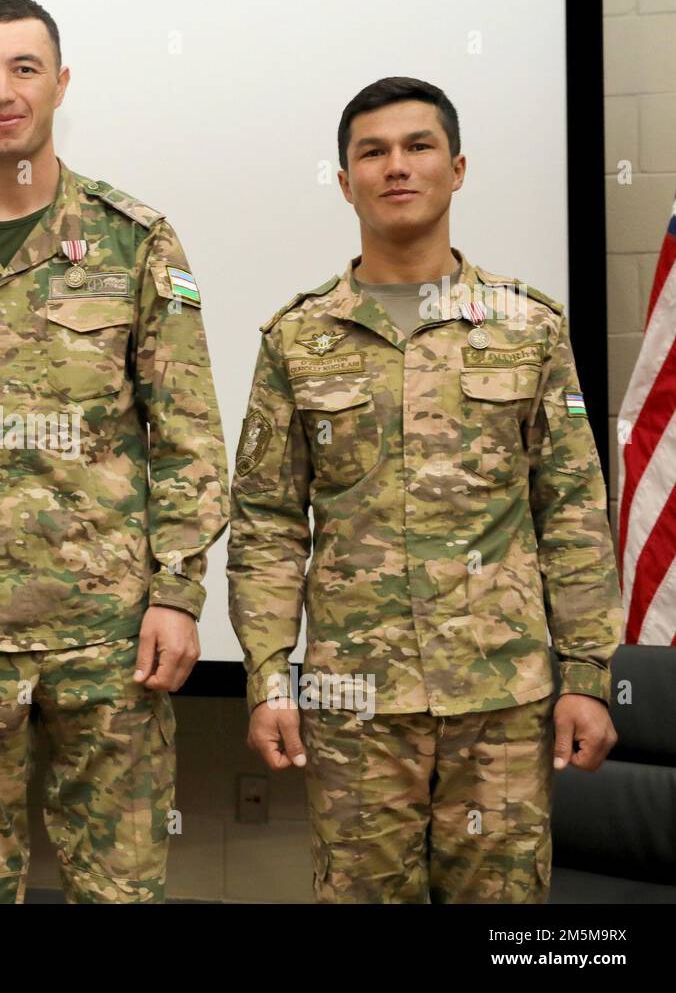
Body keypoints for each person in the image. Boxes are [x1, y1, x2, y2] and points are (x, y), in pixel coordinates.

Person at [0, 0, 229, 903]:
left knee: (119, 891)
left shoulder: (134, 239)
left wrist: (178, 592)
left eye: (24, 68)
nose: (2, 91)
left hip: (108, 642)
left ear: (60, 82)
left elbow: (188, 435)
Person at [227, 76, 623, 903]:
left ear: (458, 167)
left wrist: (586, 674)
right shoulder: (298, 339)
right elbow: (266, 523)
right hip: (355, 707)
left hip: (502, 705)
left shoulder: (529, 328)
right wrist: (270, 676)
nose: (396, 166)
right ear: (345, 182)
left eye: (418, 147)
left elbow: (574, 510)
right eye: (372, 152)